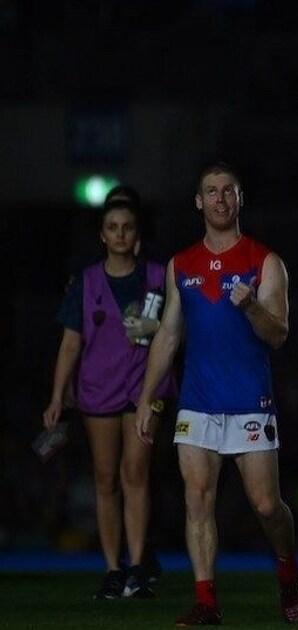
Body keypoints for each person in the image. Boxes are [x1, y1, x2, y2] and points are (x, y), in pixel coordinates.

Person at [135, 162, 298, 626]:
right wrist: (147, 399)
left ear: (239, 199)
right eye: (211, 192)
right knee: (197, 499)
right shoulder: (180, 265)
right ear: (198, 201)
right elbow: (168, 335)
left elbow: (279, 334)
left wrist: (251, 304)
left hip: (250, 400)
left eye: (227, 191)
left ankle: (288, 572)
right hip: (198, 401)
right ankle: (206, 600)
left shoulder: (265, 261)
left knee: (266, 505)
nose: (219, 199)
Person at [43, 200, 173, 599]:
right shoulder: (85, 283)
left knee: (135, 474)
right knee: (105, 479)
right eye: (112, 227)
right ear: (102, 235)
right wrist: (55, 396)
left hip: (142, 390)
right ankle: (112, 569)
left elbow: (151, 337)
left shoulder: (155, 278)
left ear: (136, 234)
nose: (119, 233)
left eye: (127, 227)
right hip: (97, 391)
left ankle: (136, 566)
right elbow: (70, 344)